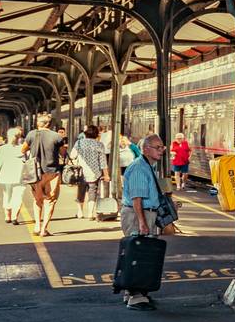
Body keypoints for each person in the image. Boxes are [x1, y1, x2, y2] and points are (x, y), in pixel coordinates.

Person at [118, 133, 167, 311]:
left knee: (139, 254)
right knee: (138, 255)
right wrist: (143, 223)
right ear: (146, 149)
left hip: (144, 213)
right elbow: (137, 198)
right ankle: (135, 297)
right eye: (158, 147)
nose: (162, 150)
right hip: (137, 214)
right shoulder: (140, 167)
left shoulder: (147, 166)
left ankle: (134, 293)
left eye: (162, 147)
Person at [26, 113, 64, 236]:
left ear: (38, 123)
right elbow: (63, 153)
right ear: (49, 124)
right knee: (50, 200)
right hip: (52, 173)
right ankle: (44, 229)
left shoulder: (31, 134)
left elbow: (23, 150)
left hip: (35, 173)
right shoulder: (57, 136)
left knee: (37, 200)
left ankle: (37, 226)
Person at [0, 126, 31, 225]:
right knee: (18, 196)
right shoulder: (23, 149)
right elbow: (29, 161)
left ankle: (7, 216)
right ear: (19, 137)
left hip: (6, 176)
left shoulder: (3, 149)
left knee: (7, 195)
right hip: (20, 176)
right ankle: (15, 217)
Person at [71, 125, 109, 220]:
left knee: (81, 191)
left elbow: (72, 155)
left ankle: (80, 212)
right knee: (92, 191)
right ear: (97, 134)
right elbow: (103, 162)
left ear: (85, 133)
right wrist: (106, 174)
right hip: (94, 173)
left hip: (81, 172)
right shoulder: (99, 145)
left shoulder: (79, 143)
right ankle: (90, 214)